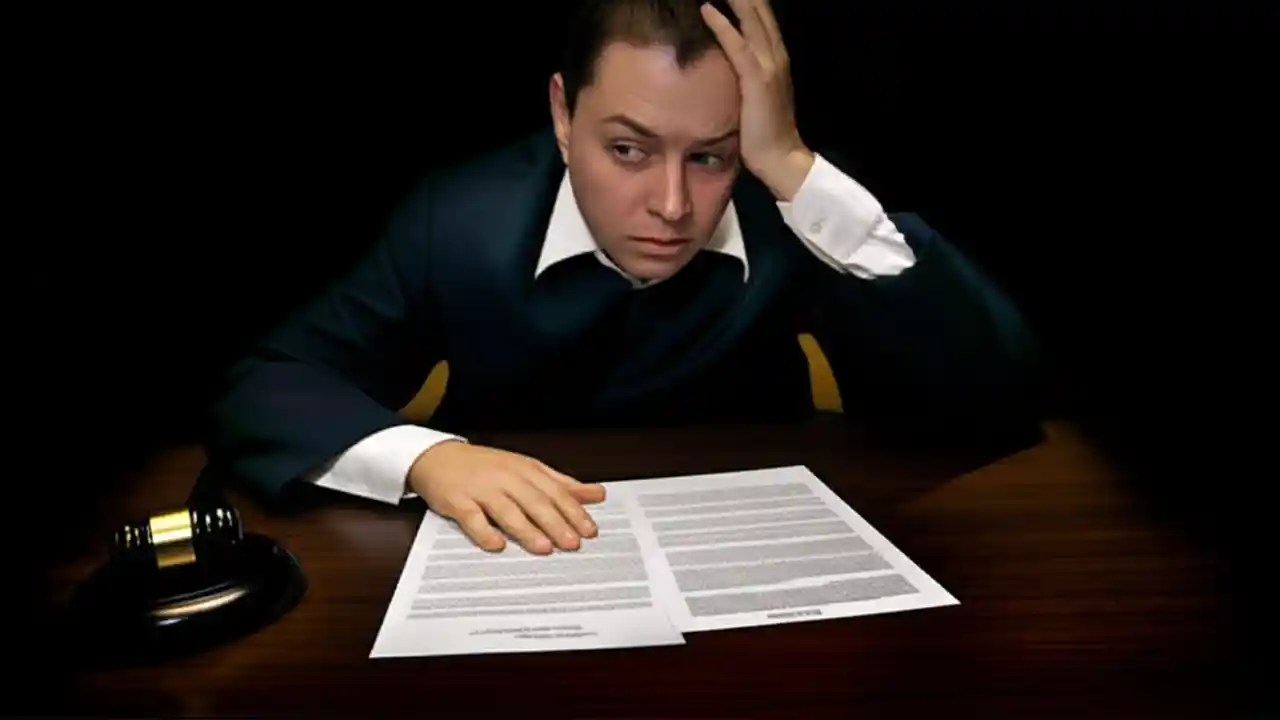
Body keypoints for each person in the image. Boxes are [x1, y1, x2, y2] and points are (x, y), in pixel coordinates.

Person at [204, 0, 1041, 555]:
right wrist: (431, 460)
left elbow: (994, 397)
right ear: (564, 114)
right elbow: (270, 381)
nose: (673, 206)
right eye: (629, 149)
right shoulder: (456, 218)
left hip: (758, 564)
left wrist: (789, 166)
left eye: (710, 155)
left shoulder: (792, 213)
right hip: (516, 571)